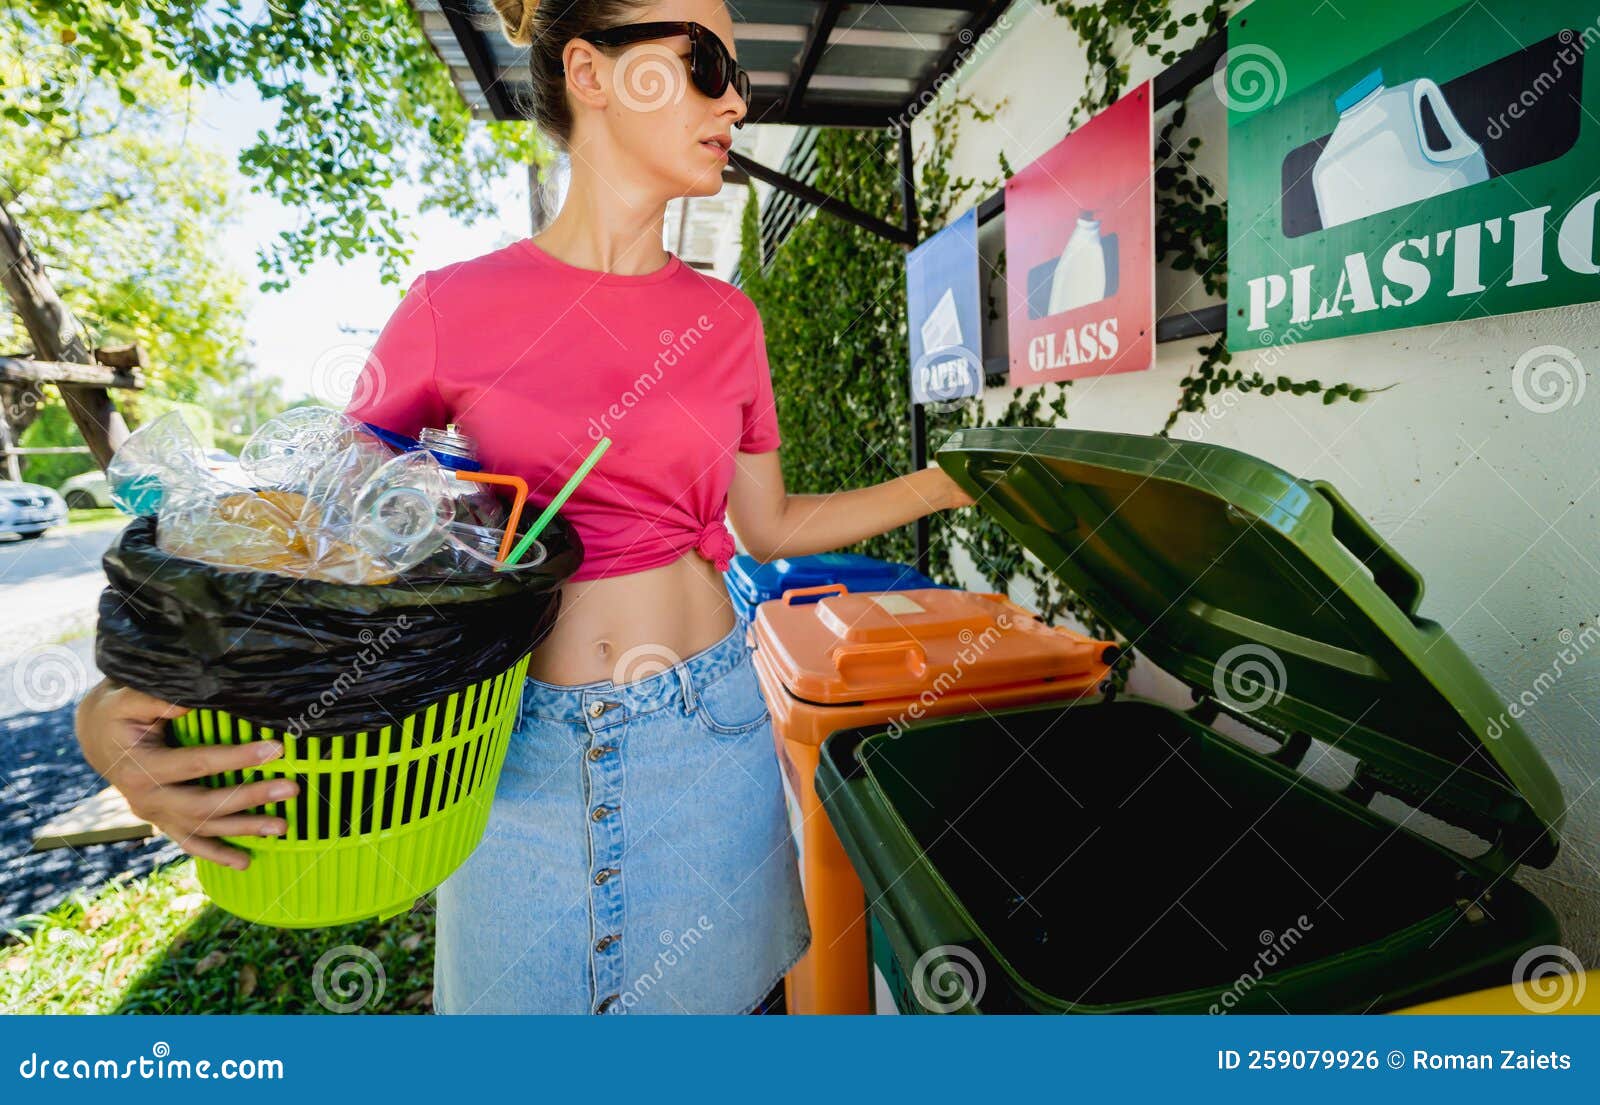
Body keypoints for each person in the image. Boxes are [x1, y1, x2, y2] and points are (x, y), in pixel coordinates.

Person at [73, 0, 974, 1014]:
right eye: (708, 62)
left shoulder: (726, 320)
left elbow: (766, 529)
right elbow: (315, 540)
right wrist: (116, 698)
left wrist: (953, 482)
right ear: (591, 74)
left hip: (710, 734)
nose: (739, 95)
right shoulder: (449, 309)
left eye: (740, 74)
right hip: (509, 751)